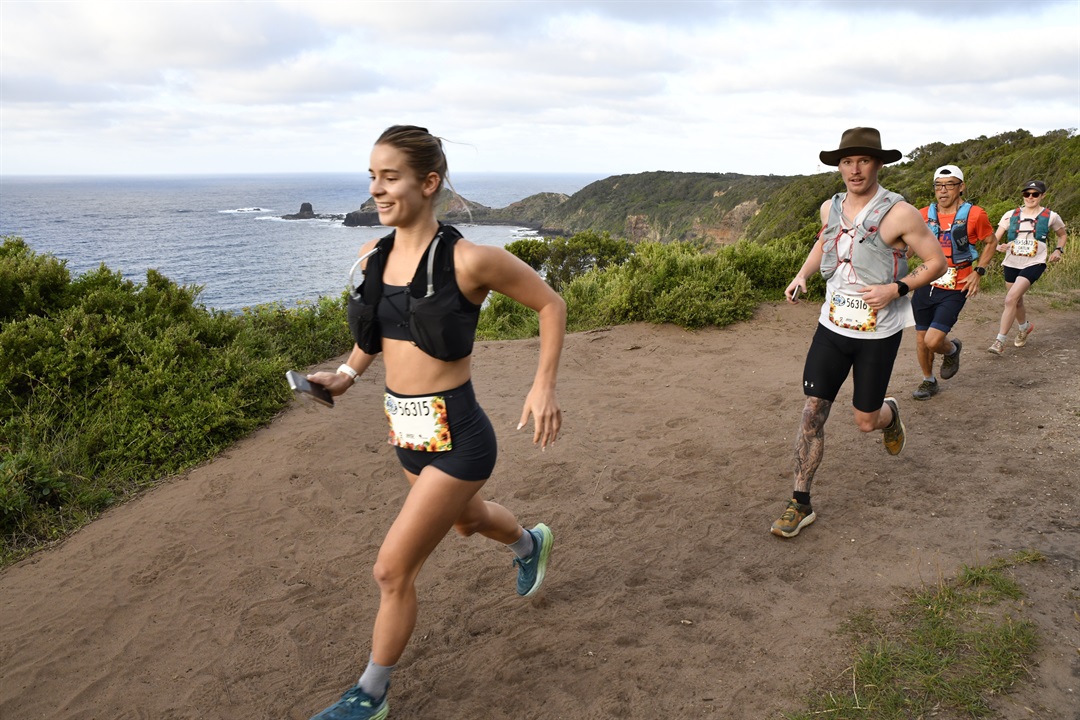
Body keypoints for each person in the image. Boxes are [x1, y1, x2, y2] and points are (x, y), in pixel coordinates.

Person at [305, 125, 566, 720]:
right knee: (468, 522)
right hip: (408, 435)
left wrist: (543, 384)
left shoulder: (470, 259)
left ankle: (370, 694)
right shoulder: (375, 257)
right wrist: (344, 376)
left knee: (391, 569)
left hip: (462, 439)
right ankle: (531, 542)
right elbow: (380, 333)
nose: (376, 188)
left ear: (428, 183)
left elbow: (552, 304)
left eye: (389, 176)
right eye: (372, 176)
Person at [771, 127, 946, 539]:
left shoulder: (899, 213)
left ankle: (889, 415)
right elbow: (823, 243)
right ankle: (800, 502)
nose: (854, 169)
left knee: (865, 421)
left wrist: (896, 288)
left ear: (878, 164)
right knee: (813, 411)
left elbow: (936, 262)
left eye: (863, 160)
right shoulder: (829, 209)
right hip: (832, 326)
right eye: (847, 161)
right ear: (839, 166)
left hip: (878, 333)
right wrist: (801, 276)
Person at [909, 165, 996, 400]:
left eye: (949, 185)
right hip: (926, 282)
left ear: (961, 187)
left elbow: (991, 241)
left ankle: (952, 349)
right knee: (921, 339)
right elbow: (909, 248)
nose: (943, 191)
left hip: (956, 284)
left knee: (933, 340)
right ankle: (929, 381)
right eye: (939, 185)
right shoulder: (922, 214)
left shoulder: (975, 214)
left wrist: (978, 272)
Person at [987, 180, 1068, 355]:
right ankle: (1024, 327)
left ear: (1042, 195)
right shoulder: (1010, 215)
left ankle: (999, 341)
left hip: (1035, 262)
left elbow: (1062, 235)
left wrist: (1058, 251)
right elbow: (994, 238)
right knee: (1017, 301)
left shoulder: (1051, 216)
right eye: (1027, 194)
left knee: (1010, 299)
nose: (1030, 197)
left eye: (1035, 194)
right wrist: (999, 246)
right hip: (1011, 261)